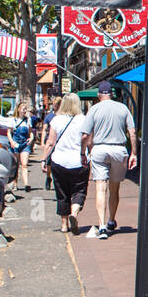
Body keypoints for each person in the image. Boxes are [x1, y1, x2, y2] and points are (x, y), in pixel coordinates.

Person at [80, 81, 138, 239]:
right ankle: (111, 220)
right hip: (118, 149)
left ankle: (102, 225)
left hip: (99, 149)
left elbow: (85, 135)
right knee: (114, 188)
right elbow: (132, 132)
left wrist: (82, 153)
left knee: (100, 188)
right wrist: (134, 153)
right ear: (111, 94)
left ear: (99, 95)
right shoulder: (123, 108)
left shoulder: (94, 109)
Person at [47, 92, 89, 234]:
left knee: (62, 192)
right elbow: (88, 140)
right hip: (78, 161)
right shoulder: (84, 120)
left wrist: (43, 159)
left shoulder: (56, 120)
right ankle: (74, 213)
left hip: (59, 161)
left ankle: (64, 225)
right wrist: (85, 153)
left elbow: (50, 142)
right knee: (79, 190)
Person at [7, 102, 33, 195]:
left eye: (25, 108)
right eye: (23, 108)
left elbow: (30, 132)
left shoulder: (28, 120)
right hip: (16, 143)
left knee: (25, 164)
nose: (25, 110)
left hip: (25, 144)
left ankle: (26, 184)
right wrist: (11, 142)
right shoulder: (13, 120)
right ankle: (15, 184)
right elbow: (9, 132)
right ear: (18, 109)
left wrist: (31, 138)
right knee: (16, 164)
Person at [41, 100, 58, 190]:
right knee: (48, 163)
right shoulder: (49, 116)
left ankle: (56, 180)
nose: (55, 106)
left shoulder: (62, 116)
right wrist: (43, 142)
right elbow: (44, 129)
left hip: (59, 142)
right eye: (54, 105)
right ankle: (48, 177)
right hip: (50, 141)